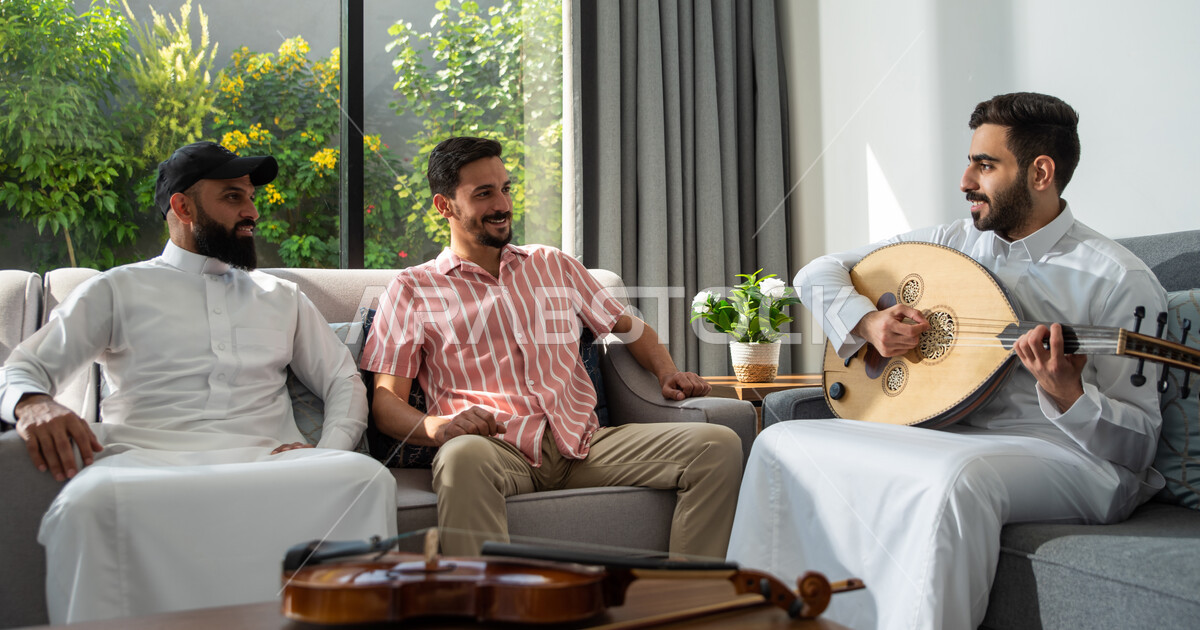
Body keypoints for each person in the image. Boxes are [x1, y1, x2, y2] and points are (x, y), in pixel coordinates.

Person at [726, 93, 1167, 630]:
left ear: (1041, 172)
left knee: (959, 479)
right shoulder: (952, 243)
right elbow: (815, 273)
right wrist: (869, 324)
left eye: (985, 165)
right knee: (782, 442)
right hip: (957, 429)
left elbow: (1139, 445)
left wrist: (1069, 396)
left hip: (1073, 456)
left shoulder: (1119, 278)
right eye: (971, 161)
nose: (965, 180)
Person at [0, 141, 396, 624]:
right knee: (91, 504)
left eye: (251, 197)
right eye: (232, 197)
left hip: (268, 460)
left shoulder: (281, 296)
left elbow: (343, 381)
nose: (251, 211)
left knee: (363, 478)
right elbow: (22, 368)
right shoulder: (115, 288)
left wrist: (326, 449)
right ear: (182, 207)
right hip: (147, 462)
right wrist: (35, 405)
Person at [361, 136, 742, 558]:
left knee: (717, 445)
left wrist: (667, 372)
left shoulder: (552, 264)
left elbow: (632, 329)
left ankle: (693, 603)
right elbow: (385, 403)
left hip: (583, 444)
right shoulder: (412, 288)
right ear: (444, 205)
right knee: (460, 456)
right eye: (483, 194)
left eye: (505, 188)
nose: (502, 204)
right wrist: (441, 427)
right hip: (495, 447)